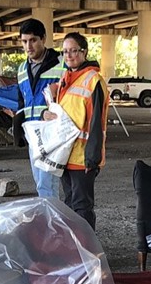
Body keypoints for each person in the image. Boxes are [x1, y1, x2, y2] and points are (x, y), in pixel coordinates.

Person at [0, 18, 64, 197]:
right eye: (24, 41)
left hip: (51, 133)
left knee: (47, 186)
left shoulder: (61, 63)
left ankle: (50, 222)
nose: (28, 46)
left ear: (43, 39)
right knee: (41, 184)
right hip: (32, 133)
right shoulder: (22, 68)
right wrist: (19, 127)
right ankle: (51, 220)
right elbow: (22, 100)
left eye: (33, 40)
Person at [42, 32, 108, 229]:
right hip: (66, 155)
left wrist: (92, 158)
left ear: (84, 52)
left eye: (73, 51)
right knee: (70, 205)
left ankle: (87, 251)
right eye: (65, 52)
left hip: (82, 157)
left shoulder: (93, 80)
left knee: (82, 207)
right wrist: (47, 112)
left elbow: (96, 123)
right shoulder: (66, 78)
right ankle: (75, 248)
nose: (69, 55)